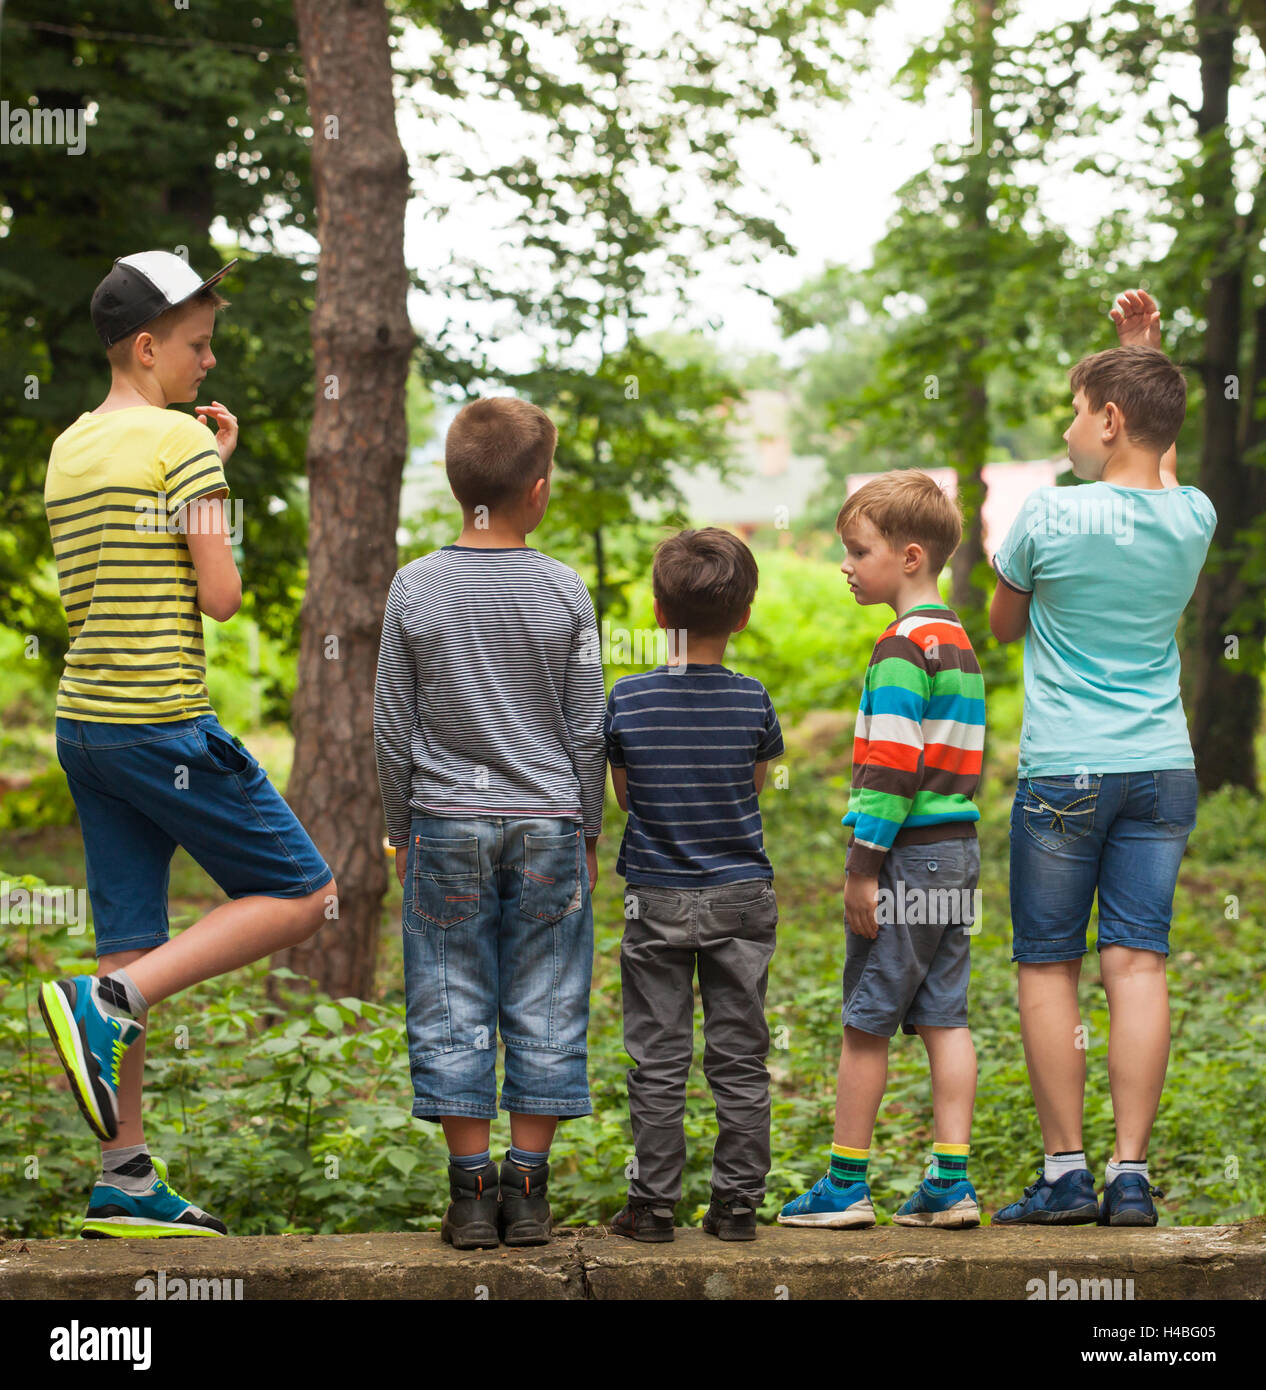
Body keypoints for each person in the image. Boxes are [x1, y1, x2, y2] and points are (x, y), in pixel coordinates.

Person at [39, 251, 337, 1237]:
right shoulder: (182, 447)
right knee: (303, 892)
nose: (209, 362)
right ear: (146, 345)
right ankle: (105, 996)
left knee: (133, 927)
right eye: (198, 345)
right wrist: (212, 477)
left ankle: (121, 1176)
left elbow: (119, 569)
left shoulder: (71, 445)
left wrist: (207, 465)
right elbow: (218, 593)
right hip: (160, 722)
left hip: (86, 726)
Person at [989, 290, 1215, 1227]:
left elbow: (1003, 626)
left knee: (1049, 965)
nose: (1071, 428)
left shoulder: (1048, 513)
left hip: (1064, 773)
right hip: (1163, 769)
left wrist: (1130, 362)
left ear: (1109, 418)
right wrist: (1142, 355)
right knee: (1138, 965)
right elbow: (1155, 466)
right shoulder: (1193, 514)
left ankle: (1065, 1172)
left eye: (1080, 411)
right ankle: (1132, 1175)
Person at [373, 396, 605, 1250]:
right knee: (547, 999)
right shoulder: (561, 588)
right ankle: (529, 1193)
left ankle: (471, 1196)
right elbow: (588, 720)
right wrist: (588, 827)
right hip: (549, 818)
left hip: (445, 822)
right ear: (537, 491)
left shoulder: (415, 587)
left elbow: (392, 721)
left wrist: (401, 828)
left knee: (448, 993)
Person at [779, 472, 984, 1230]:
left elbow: (893, 771)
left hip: (906, 856)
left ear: (908, 556)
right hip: (958, 852)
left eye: (856, 551)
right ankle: (950, 1181)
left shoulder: (900, 646)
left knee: (865, 1021)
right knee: (945, 1017)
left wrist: (862, 868)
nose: (845, 565)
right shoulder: (958, 641)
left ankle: (845, 1183)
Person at [605, 528, 784, 1243]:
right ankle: (736, 1206)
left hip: (657, 896)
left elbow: (626, 797)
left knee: (658, 1056)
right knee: (740, 1056)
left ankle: (652, 1208)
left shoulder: (628, 699)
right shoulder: (753, 700)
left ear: (656, 611)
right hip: (741, 891)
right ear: (742, 616)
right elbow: (754, 787)